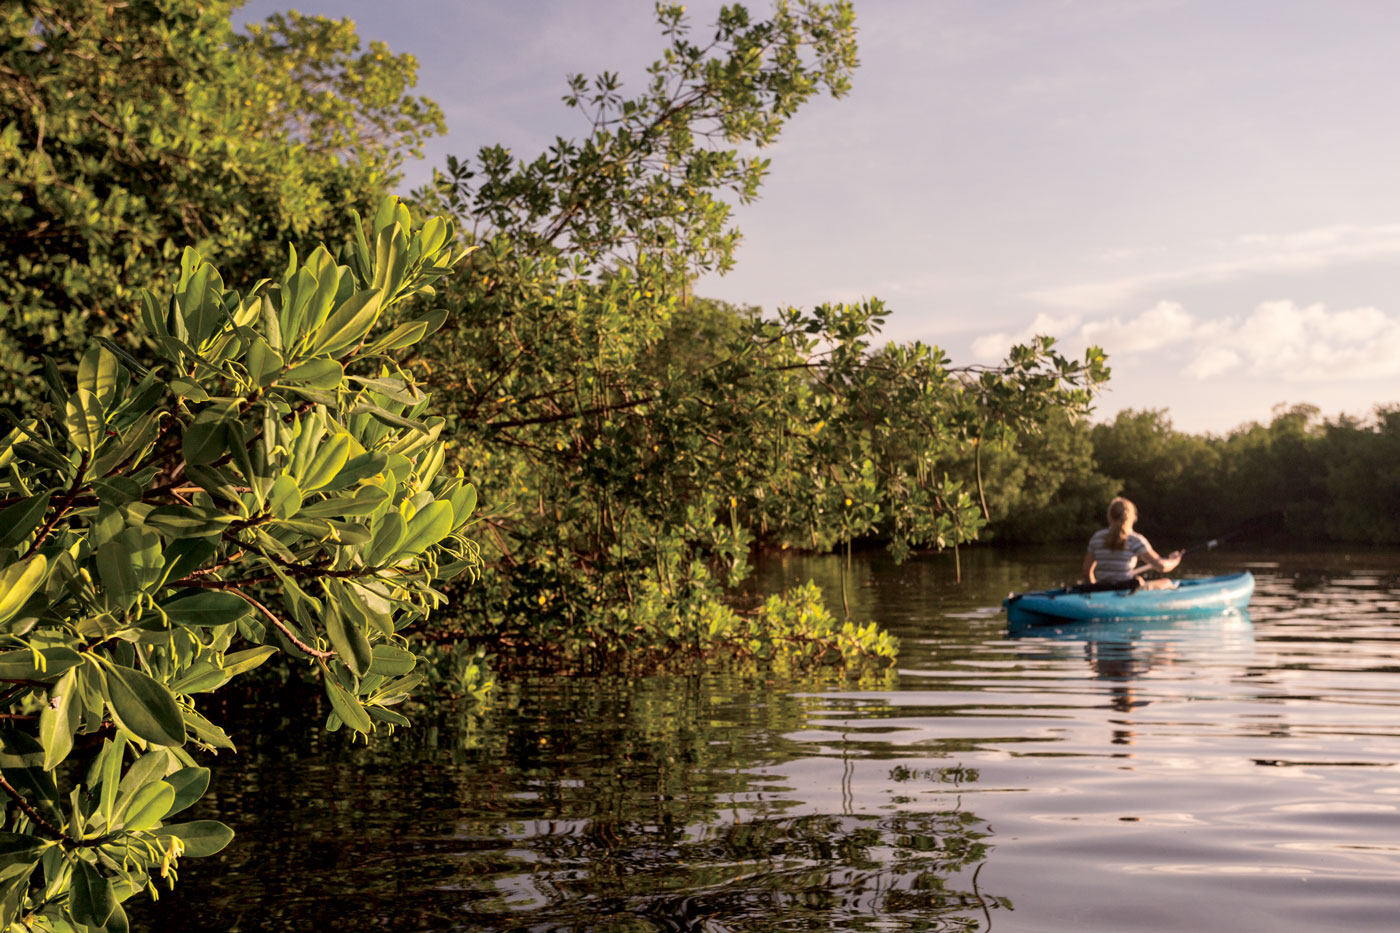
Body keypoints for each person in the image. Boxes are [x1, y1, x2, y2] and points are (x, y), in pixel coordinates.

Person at [1080, 497, 1181, 591]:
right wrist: (1174, 560)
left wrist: (1095, 589)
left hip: (1102, 587)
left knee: (1139, 580)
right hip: (1127, 589)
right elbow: (1162, 566)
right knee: (1167, 582)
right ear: (1131, 517)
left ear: (1109, 516)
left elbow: (1086, 572)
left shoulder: (1097, 537)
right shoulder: (1136, 540)